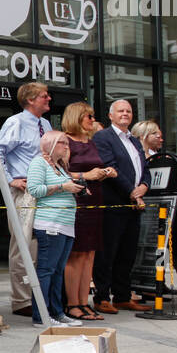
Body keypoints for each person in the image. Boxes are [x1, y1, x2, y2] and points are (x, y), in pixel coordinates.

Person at [0, 82, 52, 315]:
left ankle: (37, 295)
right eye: (44, 96)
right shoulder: (15, 122)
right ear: (30, 100)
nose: (49, 99)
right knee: (23, 244)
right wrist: (10, 180)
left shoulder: (45, 124)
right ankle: (21, 300)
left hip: (45, 191)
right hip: (24, 190)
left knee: (42, 245)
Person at [91, 100, 149, 314]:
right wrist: (132, 192)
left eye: (129, 111)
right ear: (111, 115)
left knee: (128, 252)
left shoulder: (134, 140)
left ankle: (123, 296)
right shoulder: (103, 137)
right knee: (108, 253)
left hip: (134, 206)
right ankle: (102, 297)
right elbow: (110, 167)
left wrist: (144, 186)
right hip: (113, 203)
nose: (125, 114)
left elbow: (144, 168)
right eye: (121, 111)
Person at [62, 102, 116, 321]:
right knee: (76, 253)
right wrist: (86, 176)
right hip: (77, 199)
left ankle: (84, 301)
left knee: (90, 253)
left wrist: (104, 172)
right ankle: (72, 303)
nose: (92, 120)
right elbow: (58, 172)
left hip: (95, 199)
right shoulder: (65, 140)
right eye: (89, 117)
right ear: (77, 117)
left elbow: (94, 168)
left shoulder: (90, 142)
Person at [26, 130, 83, 327]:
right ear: (49, 144)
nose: (66, 147)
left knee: (58, 270)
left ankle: (57, 311)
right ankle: (41, 315)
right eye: (62, 143)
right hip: (50, 223)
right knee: (46, 270)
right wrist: (62, 187)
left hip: (65, 224)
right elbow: (34, 189)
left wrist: (74, 187)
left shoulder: (60, 167)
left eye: (67, 143)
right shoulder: (39, 163)